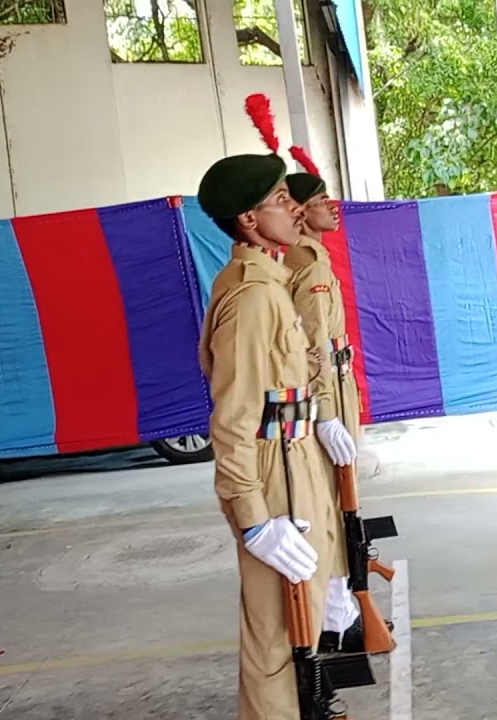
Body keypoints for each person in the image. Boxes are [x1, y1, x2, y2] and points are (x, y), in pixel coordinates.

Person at [196, 150, 344, 719]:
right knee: (274, 633)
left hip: (292, 458)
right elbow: (233, 416)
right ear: (250, 220)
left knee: (298, 621)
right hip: (270, 471)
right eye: (281, 200)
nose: (296, 209)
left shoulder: (268, 280)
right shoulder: (252, 296)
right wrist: (251, 512)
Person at [282, 159, 370, 655]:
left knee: (338, 503)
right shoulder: (309, 264)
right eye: (320, 202)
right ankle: (337, 613)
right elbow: (313, 341)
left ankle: (339, 606)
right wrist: (326, 411)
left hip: (331, 384)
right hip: (325, 391)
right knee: (334, 504)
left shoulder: (306, 257)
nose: (331, 208)